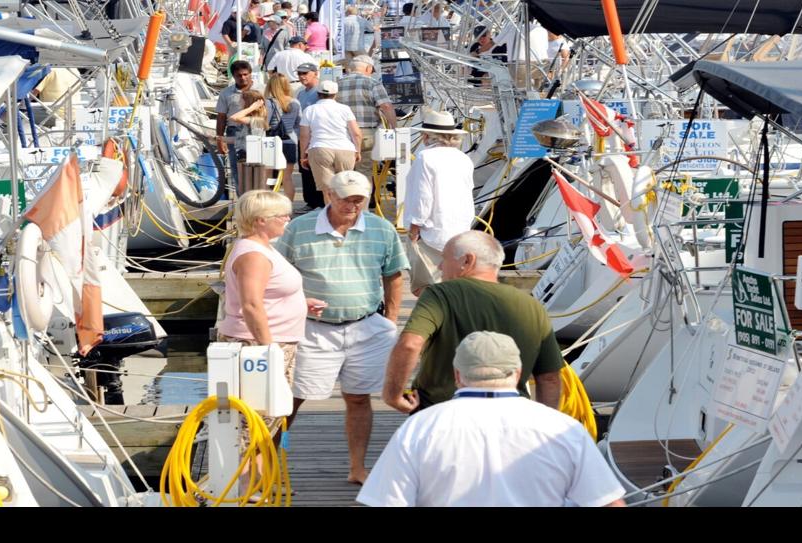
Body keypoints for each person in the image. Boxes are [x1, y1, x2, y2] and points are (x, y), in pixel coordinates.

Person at [359, 331, 627, 507]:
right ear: (519, 372)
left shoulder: (420, 428)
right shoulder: (564, 429)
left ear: (457, 375)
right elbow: (607, 502)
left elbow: (383, 502)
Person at [275, 169, 407, 484]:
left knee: (359, 397)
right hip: (312, 328)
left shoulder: (381, 228)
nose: (352, 205)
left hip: (366, 326)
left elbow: (394, 275)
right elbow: (278, 273)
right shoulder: (299, 228)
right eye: (345, 198)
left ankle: (357, 468)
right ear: (329, 195)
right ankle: (266, 462)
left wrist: (390, 320)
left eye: (358, 199)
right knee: (290, 398)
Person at [384, 231, 562, 413]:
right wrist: (542, 423)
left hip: (441, 414)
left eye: (444, 259)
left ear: (467, 261)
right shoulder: (532, 306)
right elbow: (549, 378)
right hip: (510, 417)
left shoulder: (440, 295)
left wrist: (393, 395)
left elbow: (410, 344)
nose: (439, 266)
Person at [218, 190, 324, 442]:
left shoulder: (262, 248)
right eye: (281, 215)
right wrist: (268, 353)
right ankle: (250, 480)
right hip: (257, 344)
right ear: (259, 220)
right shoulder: (254, 255)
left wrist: (299, 302)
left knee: (268, 419)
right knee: (255, 423)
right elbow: (251, 304)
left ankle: (259, 479)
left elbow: (264, 294)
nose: (288, 218)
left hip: (274, 342)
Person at [398, 109, 473, 295]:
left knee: (425, 287)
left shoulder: (425, 157)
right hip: (460, 230)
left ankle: (437, 318)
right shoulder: (464, 158)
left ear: (426, 136)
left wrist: (414, 228)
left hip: (431, 231)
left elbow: (423, 196)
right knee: (454, 283)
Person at [297, 78, 360, 207]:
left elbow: (304, 136)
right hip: (345, 148)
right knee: (345, 187)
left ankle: (332, 218)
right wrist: (357, 150)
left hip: (320, 148)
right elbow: (356, 133)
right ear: (335, 94)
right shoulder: (345, 109)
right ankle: (346, 216)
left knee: (328, 190)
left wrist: (303, 155)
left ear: (318, 94)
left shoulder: (309, 110)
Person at [337, 56, 396, 187]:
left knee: (345, 173)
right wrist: (394, 128)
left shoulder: (338, 83)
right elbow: (386, 106)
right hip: (366, 133)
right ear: (368, 68)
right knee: (364, 172)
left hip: (343, 134)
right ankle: (363, 204)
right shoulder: (372, 83)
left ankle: (345, 203)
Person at [214, 59, 257, 186]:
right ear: (233, 76)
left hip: (256, 131)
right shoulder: (226, 93)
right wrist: (220, 139)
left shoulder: (261, 89)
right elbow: (221, 117)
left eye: (245, 74)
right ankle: (242, 199)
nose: (243, 78)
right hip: (234, 131)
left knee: (258, 167)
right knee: (237, 168)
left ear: (250, 74)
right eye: (239, 75)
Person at [292, 62, 325, 208]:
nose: (302, 76)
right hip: (302, 136)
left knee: (316, 171)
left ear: (315, 73)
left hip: (316, 137)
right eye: (299, 73)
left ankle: (319, 202)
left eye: (305, 73)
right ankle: (310, 202)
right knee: (305, 170)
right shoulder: (301, 92)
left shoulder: (320, 91)